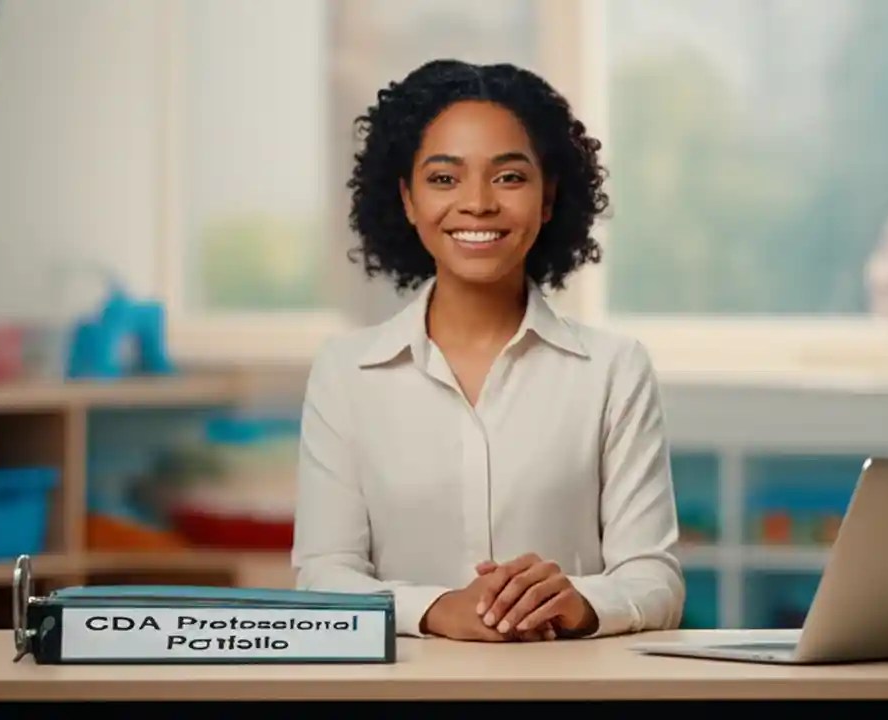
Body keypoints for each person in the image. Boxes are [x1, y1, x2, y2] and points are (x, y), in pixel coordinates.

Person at [291, 58, 685, 642]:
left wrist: (579, 602)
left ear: (548, 198)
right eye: (443, 178)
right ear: (406, 199)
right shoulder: (345, 373)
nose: (477, 203)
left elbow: (655, 579)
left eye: (509, 177)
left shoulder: (614, 369)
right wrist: (437, 609)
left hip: (568, 682)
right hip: (403, 685)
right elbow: (322, 577)